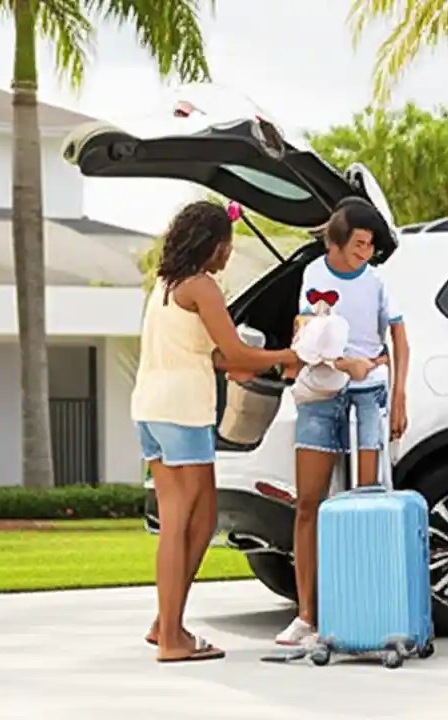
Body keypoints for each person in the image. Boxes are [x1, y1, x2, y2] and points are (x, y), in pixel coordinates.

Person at [132, 201, 298, 662]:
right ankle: (171, 639)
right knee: (182, 525)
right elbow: (236, 354)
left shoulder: (165, 285)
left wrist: (262, 362)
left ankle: (165, 624)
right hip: (183, 412)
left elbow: (216, 358)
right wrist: (291, 356)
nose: (229, 252)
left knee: (198, 521)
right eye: (227, 243)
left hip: (151, 407)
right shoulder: (202, 287)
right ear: (211, 244)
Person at [276, 197, 410, 647]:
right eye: (359, 243)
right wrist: (344, 362)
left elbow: (399, 339)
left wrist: (399, 392)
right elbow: (307, 334)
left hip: (369, 395)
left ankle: (364, 608)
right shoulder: (314, 274)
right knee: (308, 504)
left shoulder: (377, 281)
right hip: (321, 392)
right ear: (335, 240)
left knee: (366, 502)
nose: (365, 252)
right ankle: (307, 614)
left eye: (371, 244)